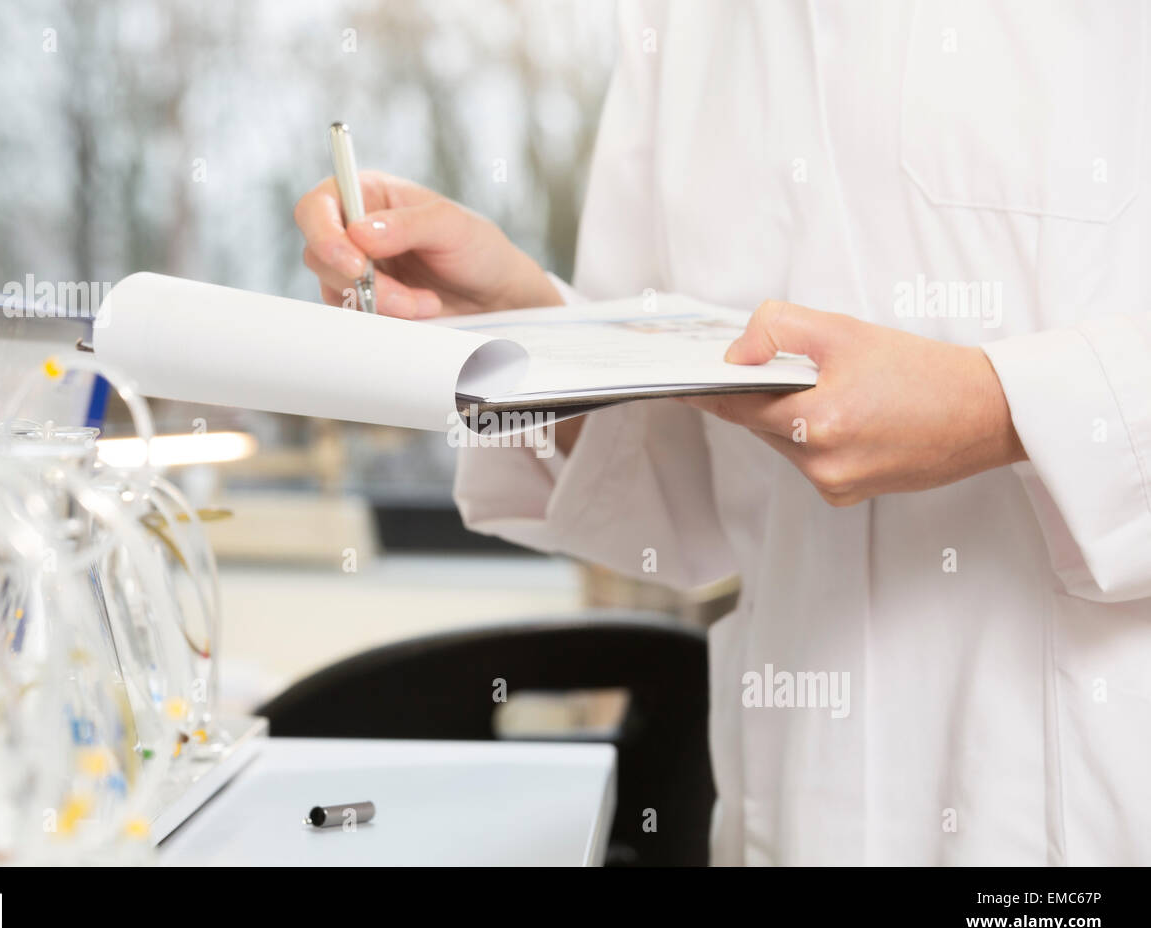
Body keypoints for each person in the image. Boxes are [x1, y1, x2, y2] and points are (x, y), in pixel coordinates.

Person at [294, 0, 1151, 865]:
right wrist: (519, 326)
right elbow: (681, 488)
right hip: (790, 807)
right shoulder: (682, 23)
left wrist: (994, 408)